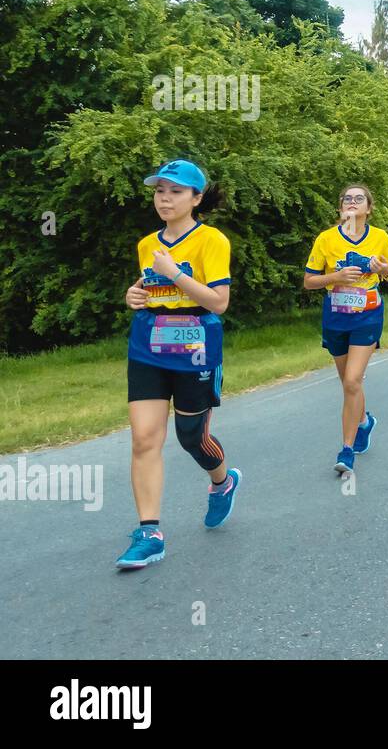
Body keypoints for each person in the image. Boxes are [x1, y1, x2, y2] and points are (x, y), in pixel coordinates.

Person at [118, 159, 239, 569]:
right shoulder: (145, 244)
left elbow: (218, 302)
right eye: (159, 191)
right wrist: (134, 296)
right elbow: (151, 290)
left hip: (197, 345)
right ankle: (149, 532)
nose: (164, 198)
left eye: (175, 191)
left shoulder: (212, 240)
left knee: (191, 437)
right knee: (144, 438)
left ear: (196, 198)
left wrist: (175, 273)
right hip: (149, 343)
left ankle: (222, 482)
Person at [304, 184, 388, 476]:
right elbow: (309, 281)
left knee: (352, 380)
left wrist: (384, 271)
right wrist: (336, 275)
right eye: (347, 198)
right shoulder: (326, 239)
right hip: (335, 314)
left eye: (359, 199)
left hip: (368, 314)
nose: (353, 202)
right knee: (349, 383)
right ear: (340, 207)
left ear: (368, 208)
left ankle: (346, 451)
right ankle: (364, 422)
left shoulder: (380, 237)